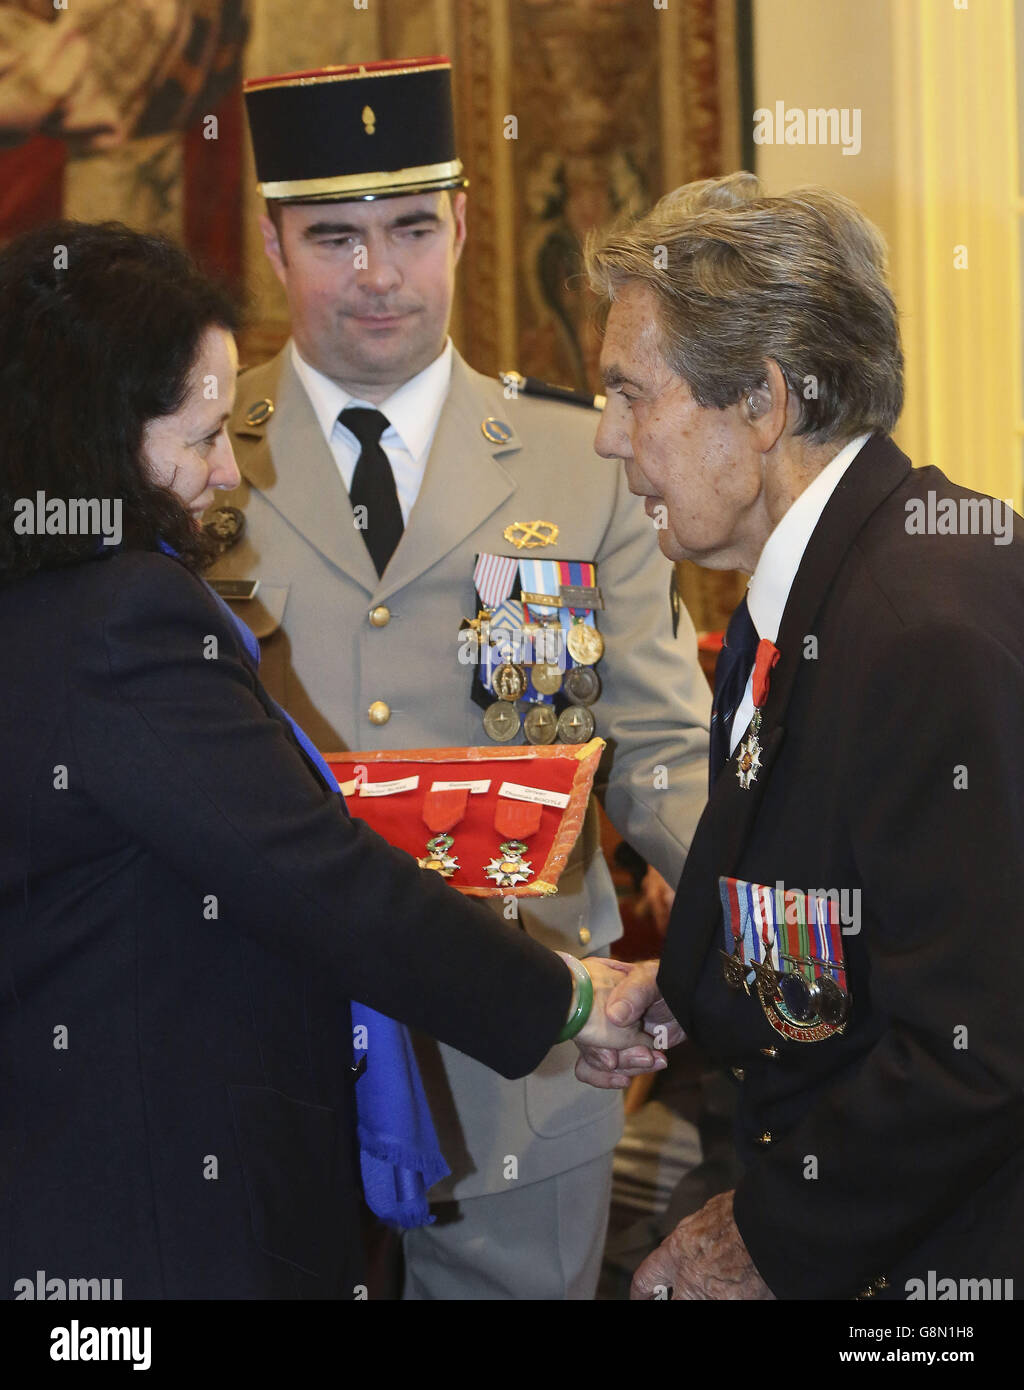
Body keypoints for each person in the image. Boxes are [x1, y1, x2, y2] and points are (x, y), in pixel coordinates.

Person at [0, 219, 656, 1301]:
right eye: (202, 438)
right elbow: (315, 875)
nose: (224, 475)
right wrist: (567, 1001)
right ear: (97, 433)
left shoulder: (41, 600)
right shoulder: (124, 618)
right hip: (157, 1206)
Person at [206, 56, 710, 1300]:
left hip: (524, 1059)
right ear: (274, 245)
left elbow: (661, 753)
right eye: (334, 236)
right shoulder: (198, 456)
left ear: (464, 227)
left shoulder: (581, 459)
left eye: (411, 228)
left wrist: (742, 944)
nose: (377, 273)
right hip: (263, 1041)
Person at [576, 171, 1024, 1300]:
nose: (605, 438)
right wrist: (678, 989)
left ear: (763, 405)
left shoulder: (920, 626)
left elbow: (976, 1047)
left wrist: (760, 1239)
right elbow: (841, 908)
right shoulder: (827, 590)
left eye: (633, 394)